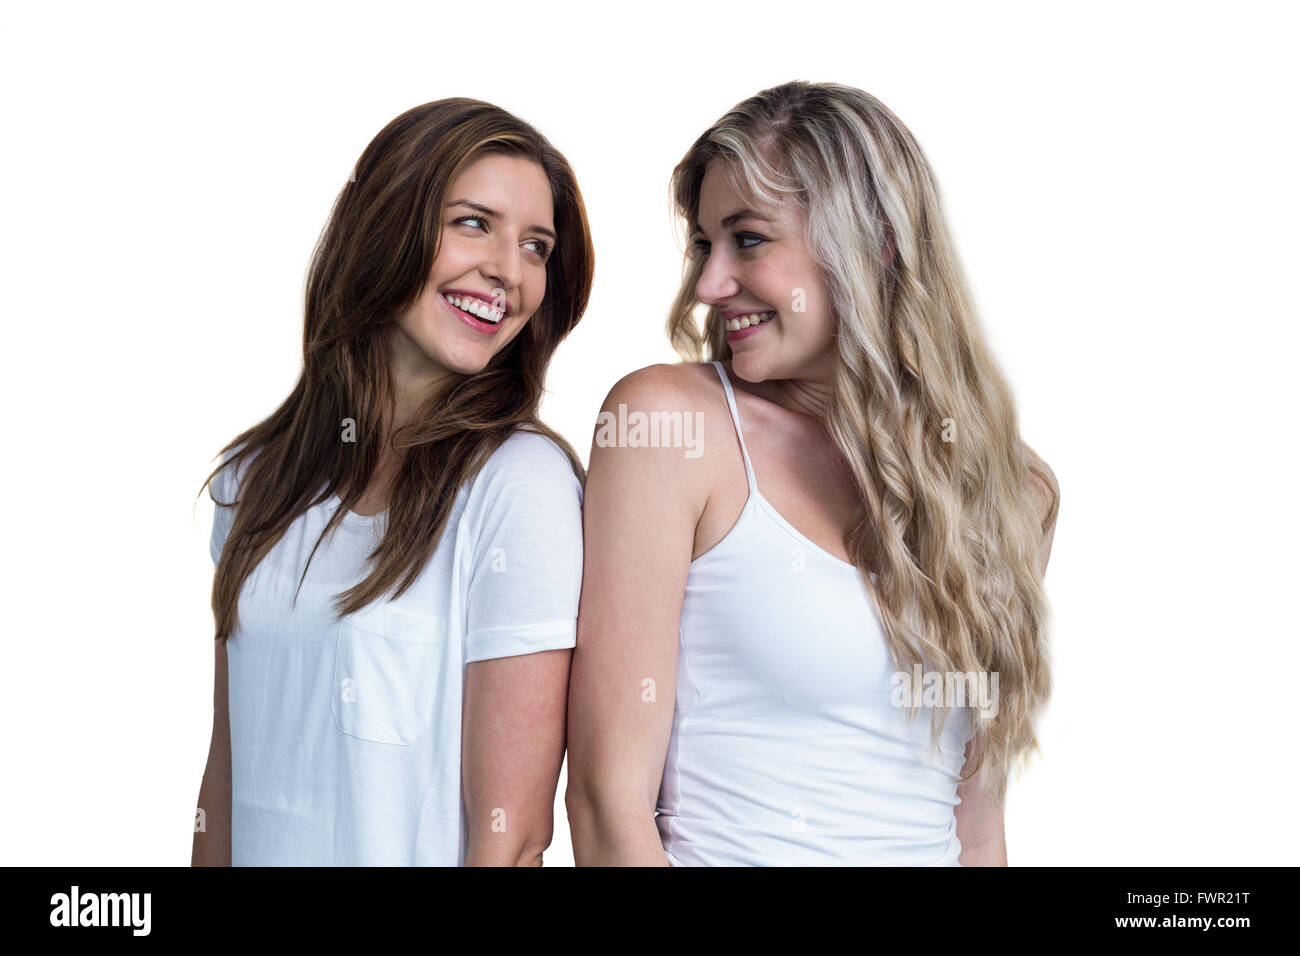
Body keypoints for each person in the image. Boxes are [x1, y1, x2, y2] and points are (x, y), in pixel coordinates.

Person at [566, 81, 1059, 866]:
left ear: (875, 242)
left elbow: (979, 827)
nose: (709, 285)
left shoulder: (1008, 493)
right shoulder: (673, 428)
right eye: (704, 245)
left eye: (748, 240)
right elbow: (604, 800)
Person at [191, 98, 594, 866]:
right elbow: (226, 777)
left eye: (537, 246)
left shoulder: (518, 487)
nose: (509, 272)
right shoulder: (257, 480)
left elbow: (510, 841)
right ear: (385, 223)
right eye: (474, 223)